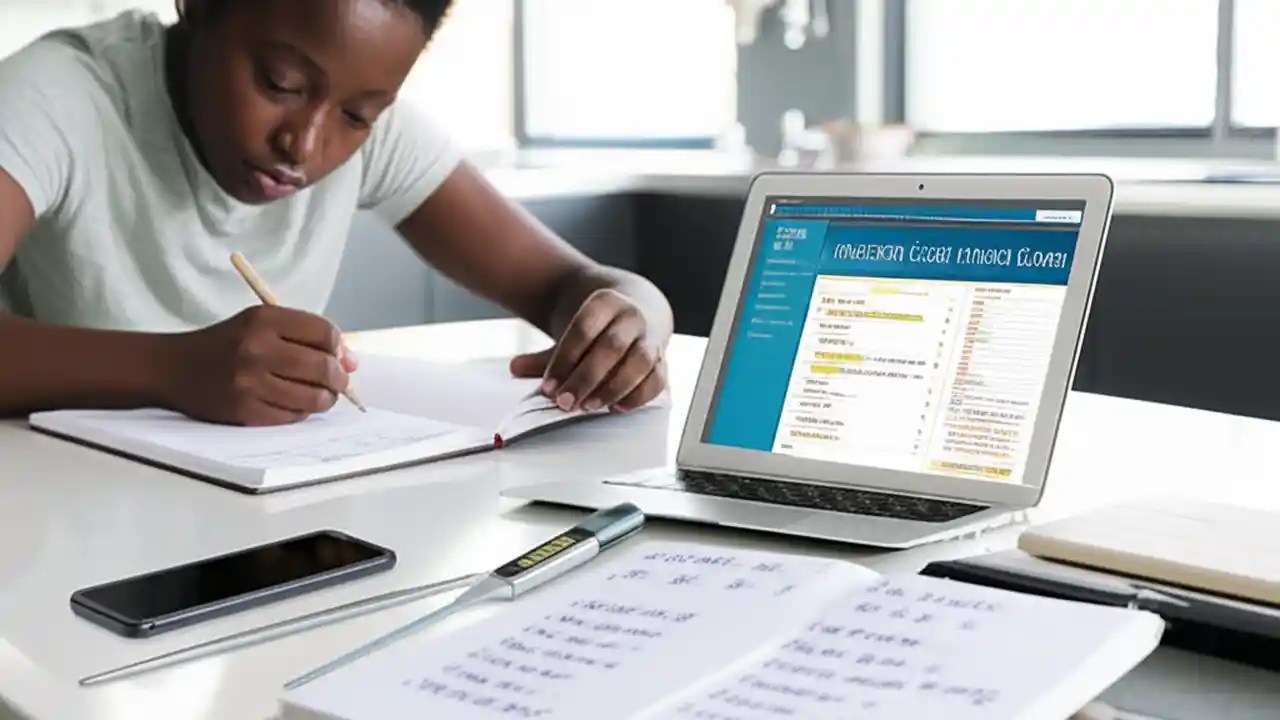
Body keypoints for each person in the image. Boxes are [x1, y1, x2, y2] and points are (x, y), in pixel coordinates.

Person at [0, 0, 673, 427]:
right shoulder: (58, 97)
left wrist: (637, 319)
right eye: (280, 84)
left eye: (357, 116)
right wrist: (171, 370)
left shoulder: (370, 135)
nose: (307, 144)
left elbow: (572, 283)